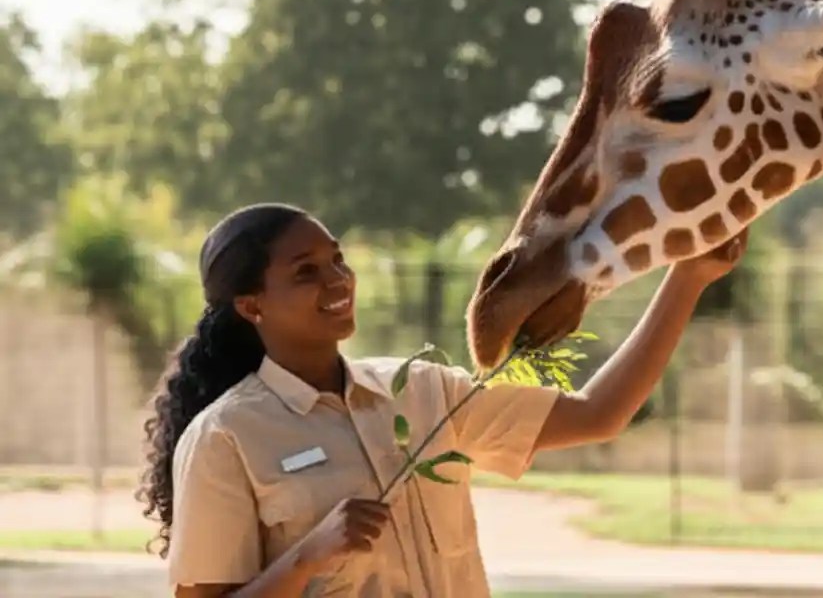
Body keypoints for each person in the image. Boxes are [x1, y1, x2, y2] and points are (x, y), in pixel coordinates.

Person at [137, 202, 746, 597]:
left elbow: (598, 413)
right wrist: (307, 556)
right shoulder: (225, 437)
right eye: (306, 272)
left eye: (337, 260)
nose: (337, 280)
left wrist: (687, 279)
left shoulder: (425, 393)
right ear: (251, 306)